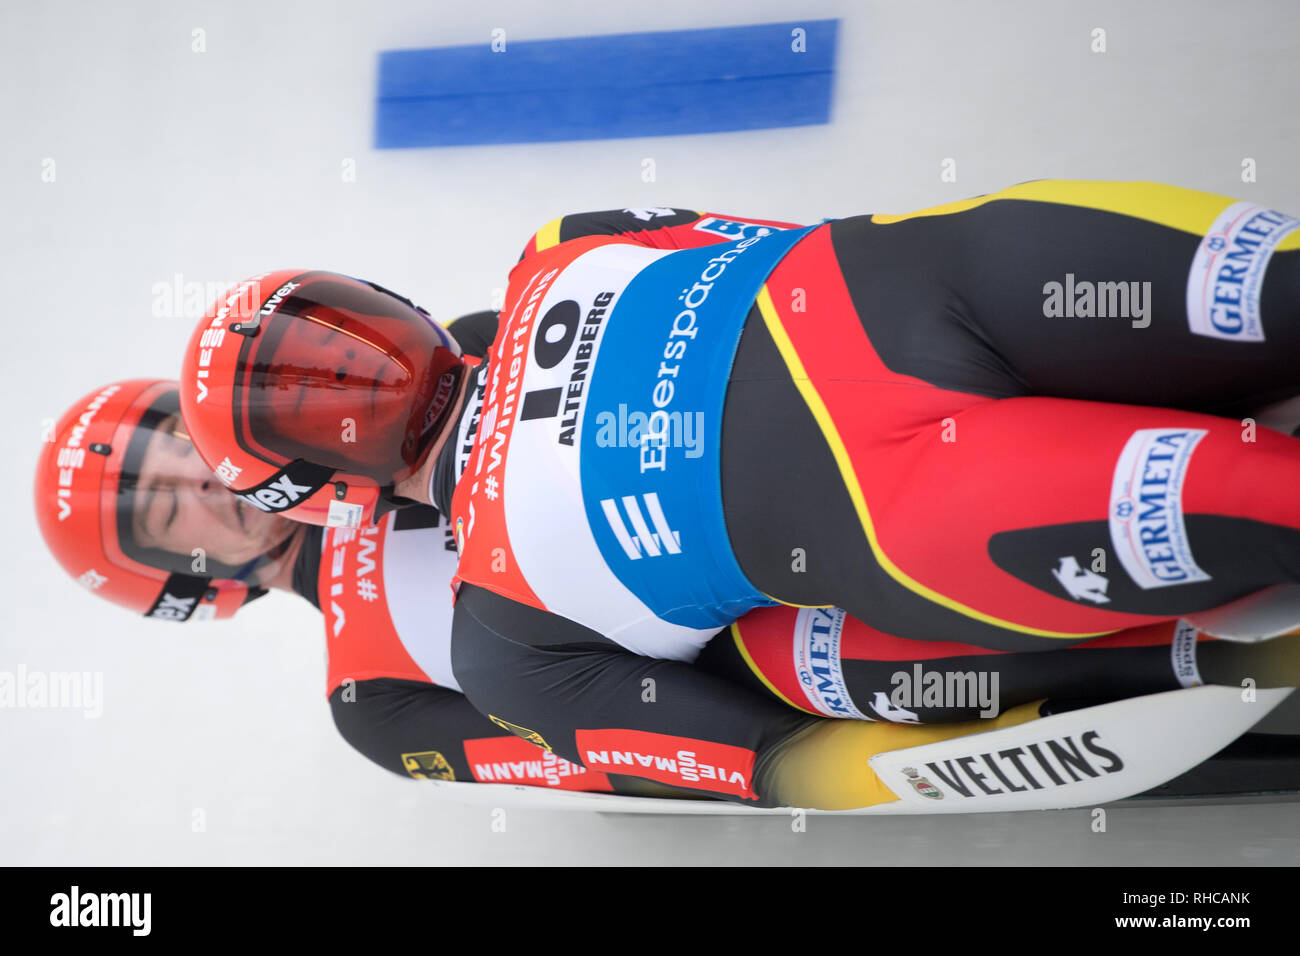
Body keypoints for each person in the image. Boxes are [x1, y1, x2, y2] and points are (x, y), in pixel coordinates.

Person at [176, 183, 1300, 807]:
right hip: (911, 487)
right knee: (1261, 493)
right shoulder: (502, 637)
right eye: (318, 401)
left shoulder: (562, 243)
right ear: (316, 484)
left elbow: (792, 238)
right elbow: (763, 752)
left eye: (339, 334)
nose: (357, 375)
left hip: (942, 287)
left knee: (1282, 301)